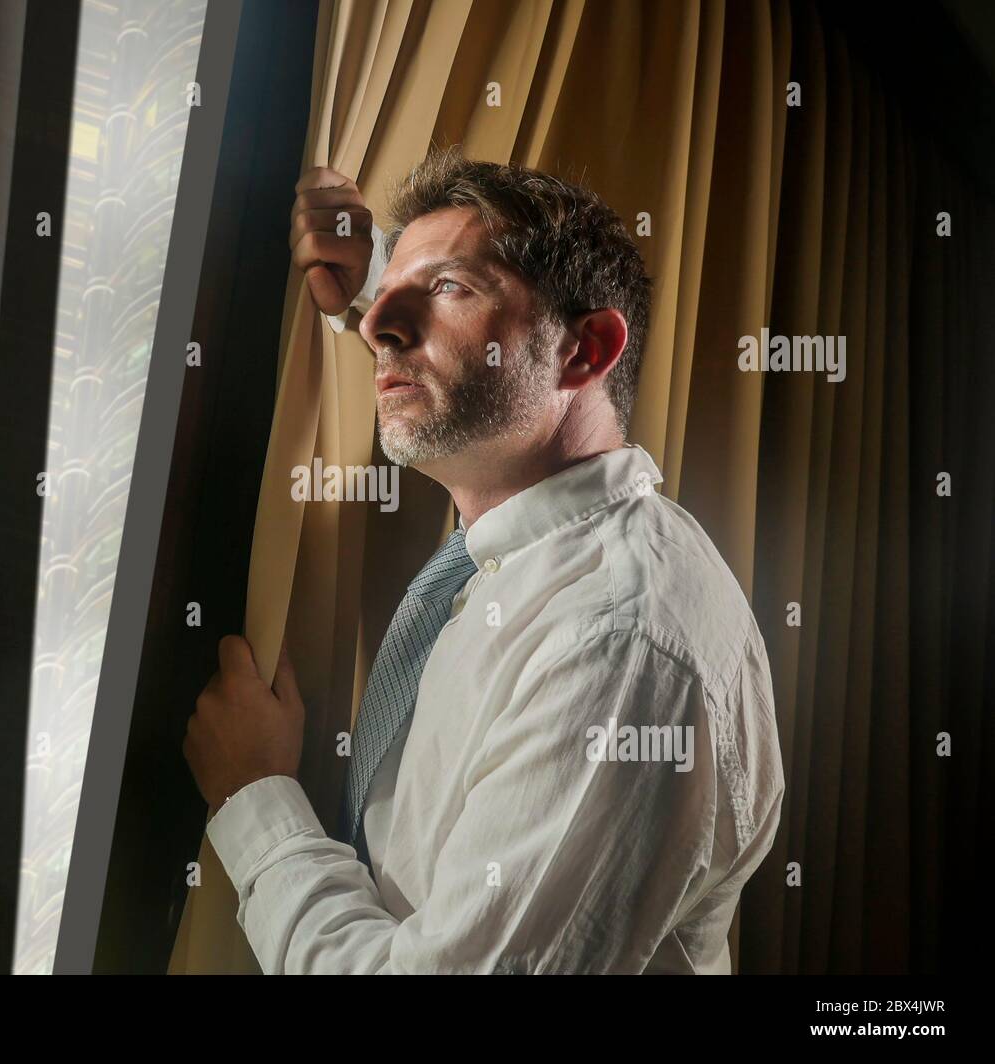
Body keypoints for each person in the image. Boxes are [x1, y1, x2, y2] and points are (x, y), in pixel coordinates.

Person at [182, 145, 785, 974]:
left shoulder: (619, 647)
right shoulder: (525, 535)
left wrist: (253, 799)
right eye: (385, 300)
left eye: (448, 290)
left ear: (584, 352)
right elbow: (477, 350)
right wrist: (388, 277)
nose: (375, 326)